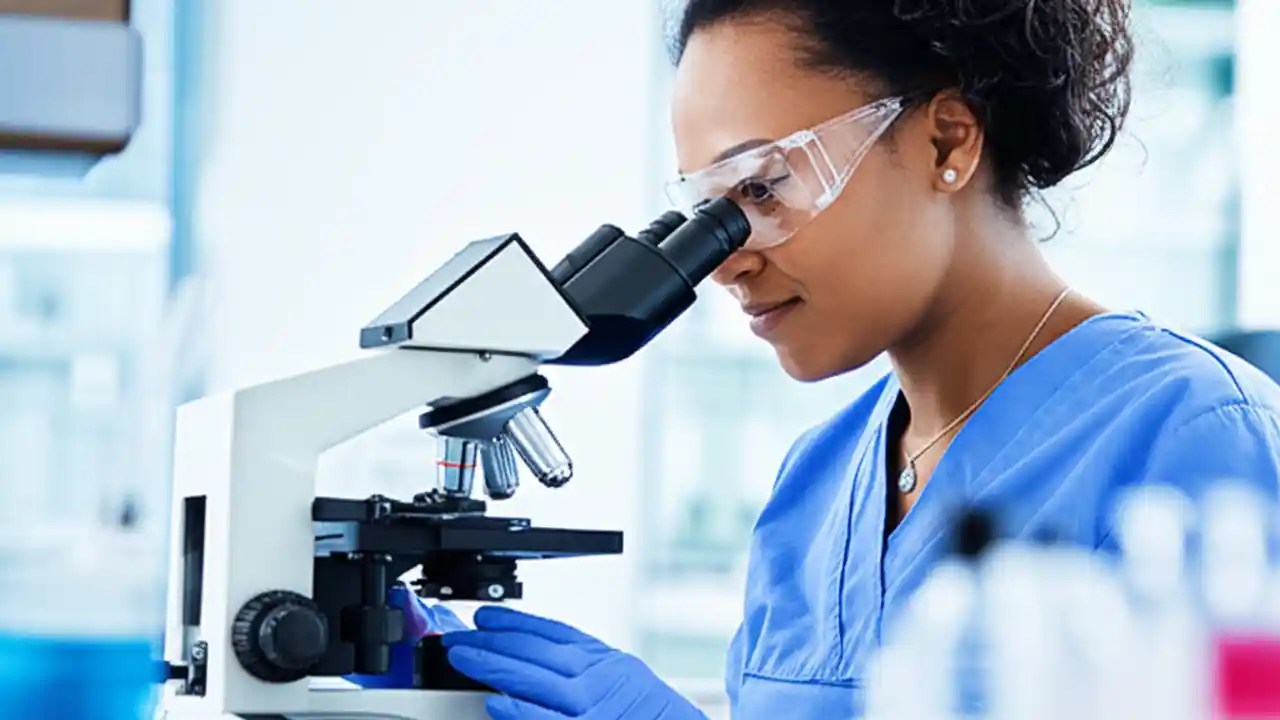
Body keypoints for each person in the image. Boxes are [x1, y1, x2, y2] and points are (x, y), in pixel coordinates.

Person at [356, 1, 1280, 717]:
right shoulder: (818, 479)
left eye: (763, 186)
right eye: (703, 211)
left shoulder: (1197, 433)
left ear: (947, 141)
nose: (726, 260)